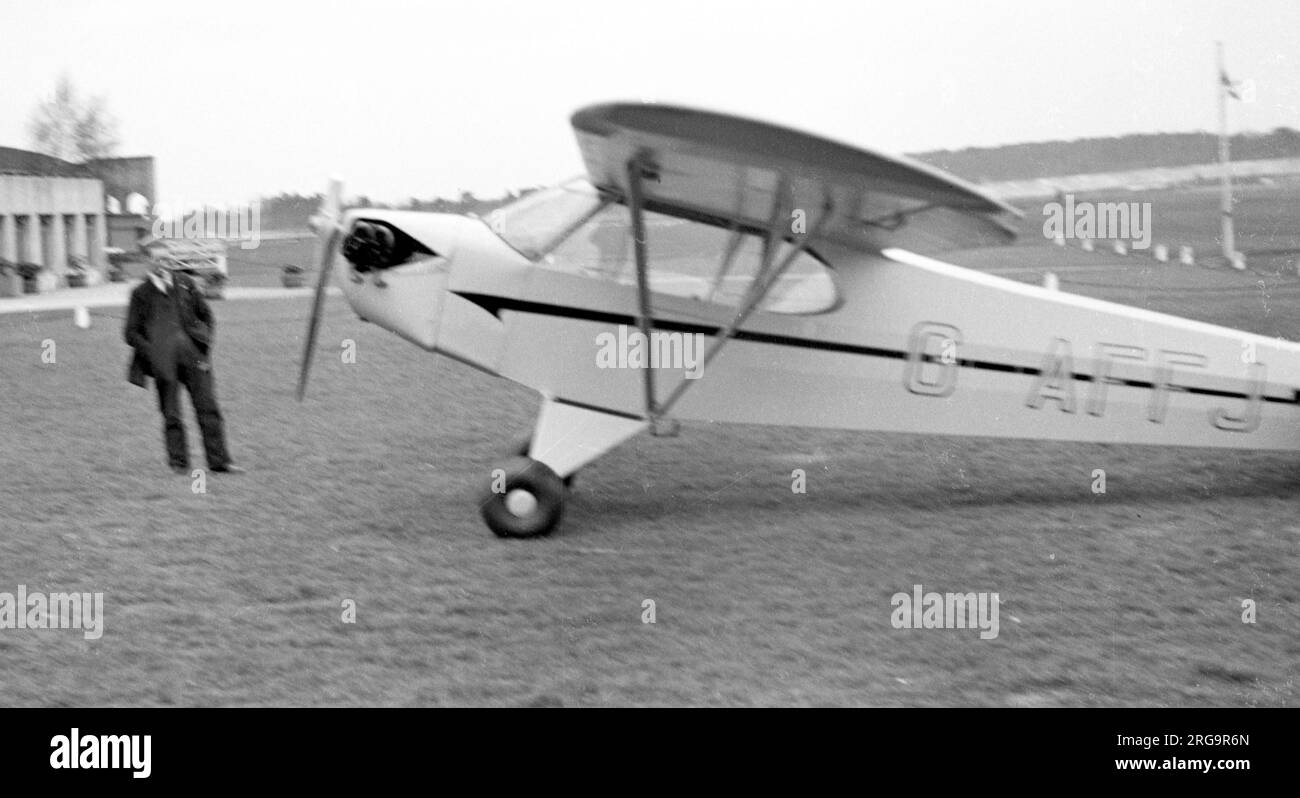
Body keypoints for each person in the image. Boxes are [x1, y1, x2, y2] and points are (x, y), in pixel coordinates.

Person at [124, 257, 245, 475]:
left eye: (164, 259)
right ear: (149, 264)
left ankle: (220, 462)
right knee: (172, 414)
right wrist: (152, 351)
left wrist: (203, 345)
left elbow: (206, 315)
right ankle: (179, 464)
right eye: (155, 259)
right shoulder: (140, 293)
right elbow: (130, 333)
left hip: (194, 357)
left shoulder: (185, 284)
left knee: (208, 408)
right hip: (163, 361)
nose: (161, 264)